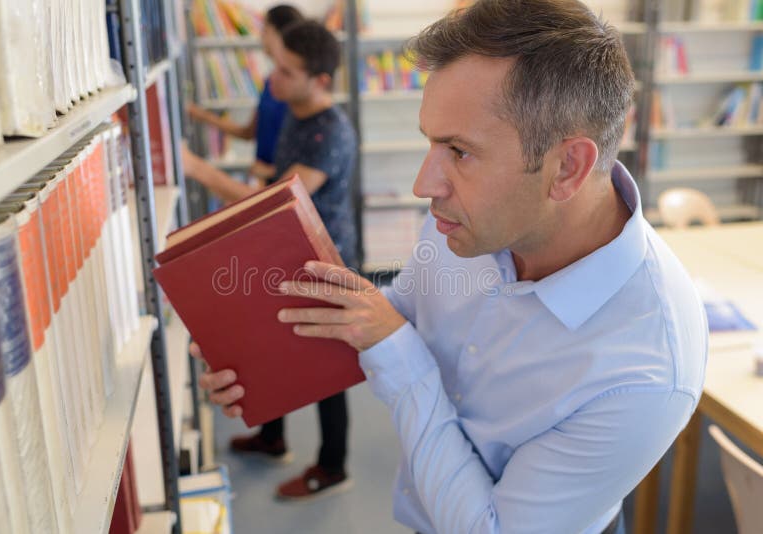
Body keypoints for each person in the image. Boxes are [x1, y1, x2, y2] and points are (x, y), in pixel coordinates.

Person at [196, 0, 710, 532]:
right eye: (431, 142)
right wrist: (264, 353)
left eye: (459, 151)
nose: (425, 185)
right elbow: (405, 311)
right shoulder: (465, 220)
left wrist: (399, 354)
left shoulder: (646, 371)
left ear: (567, 167)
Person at [185, 20, 359, 502]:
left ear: (319, 81)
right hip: (286, 256)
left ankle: (332, 466)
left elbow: (276, 199)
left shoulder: (331, 132)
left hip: (326, 264)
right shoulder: (294, 113)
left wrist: (197, 169)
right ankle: (273, 436)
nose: (272, 78)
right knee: (272, 344)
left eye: (285, 70)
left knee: (328, 370)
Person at [186, 5, 302, 183]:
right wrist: (202, 116)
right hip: (269, 183)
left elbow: (310, 150)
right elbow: (249, 132)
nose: (261, 37)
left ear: (280, 33)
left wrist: (272, 171)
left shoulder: (294, 89)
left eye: (265, 30)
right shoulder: (270, 82)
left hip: (285, 183)